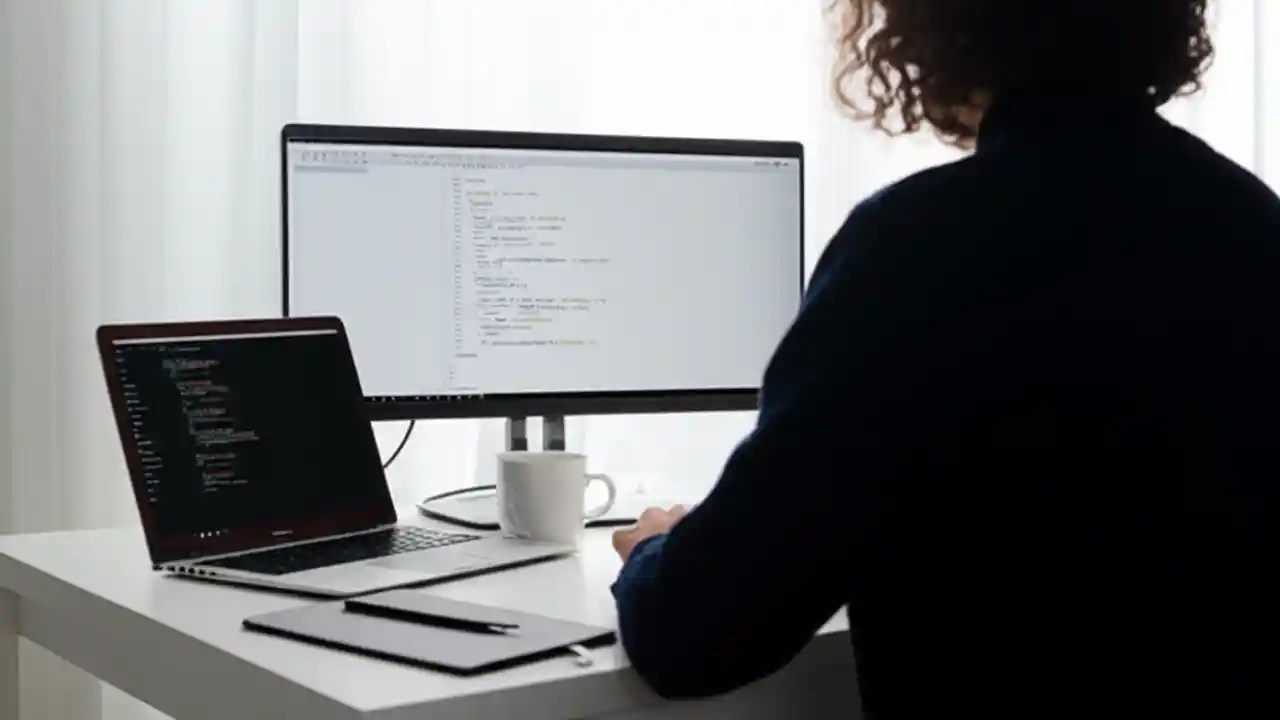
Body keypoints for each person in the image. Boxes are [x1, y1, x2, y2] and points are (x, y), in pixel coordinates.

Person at [609, 1, 1280, 718]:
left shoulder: (918, 246)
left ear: (939, 29)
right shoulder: (1251, 223)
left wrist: (655, 552)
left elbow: (697, 632)